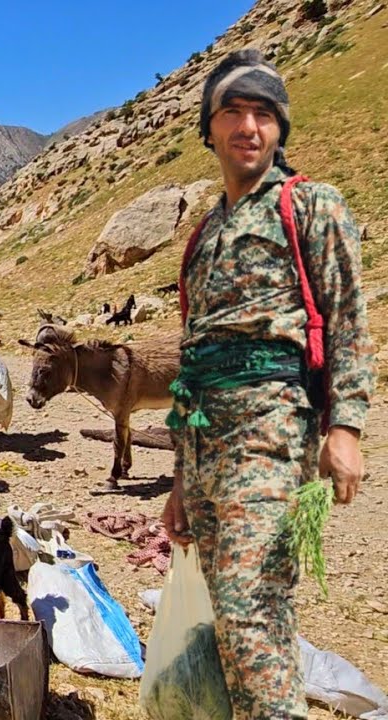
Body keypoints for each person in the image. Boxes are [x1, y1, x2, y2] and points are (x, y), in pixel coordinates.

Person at [161, 49, 373, 720]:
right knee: (229, 612)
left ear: (279, 129)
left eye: (263, 114)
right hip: (206, 452)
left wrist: (344, 426)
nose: (249, 126)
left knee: (255, 609)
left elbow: (347, 319)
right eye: (233, 112)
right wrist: (178, 485)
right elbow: (193, 366)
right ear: (210, 129)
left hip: (272, 436)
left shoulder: (309, 205)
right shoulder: (205, 235)